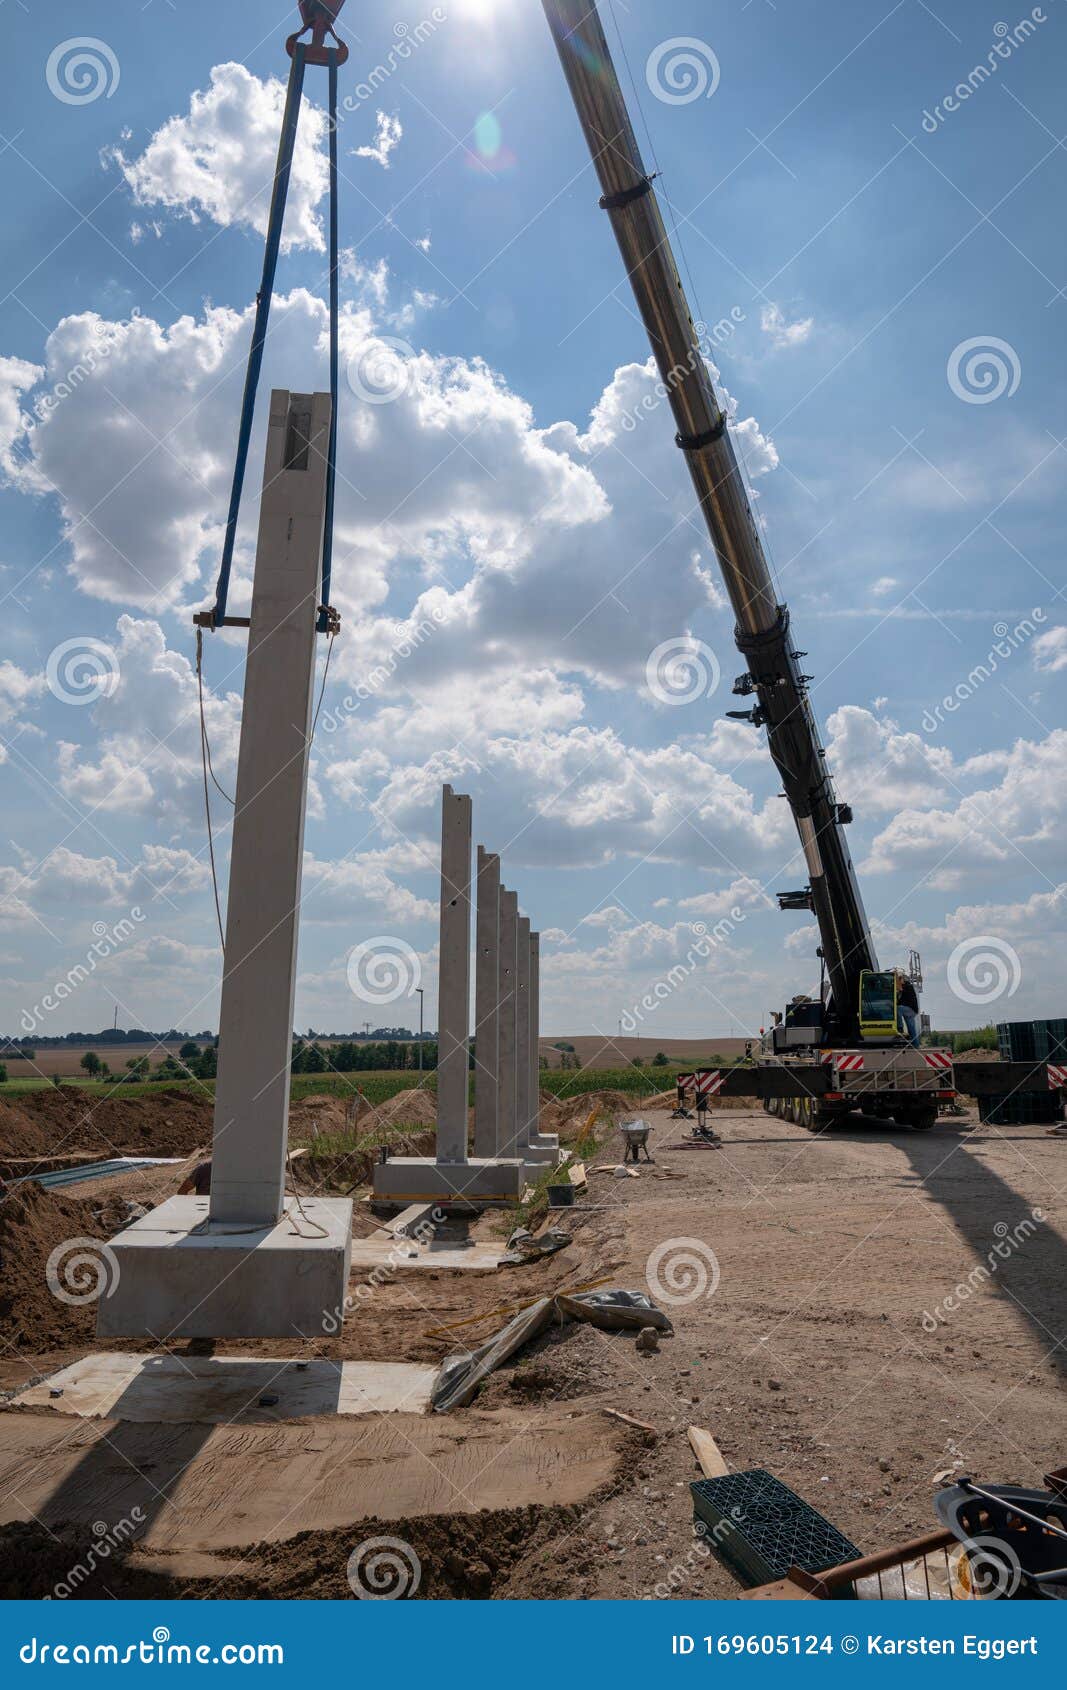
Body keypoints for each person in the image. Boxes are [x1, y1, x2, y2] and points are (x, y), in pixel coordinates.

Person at [896, 970, 920, 1048]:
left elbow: (901, 990)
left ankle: (900, 1028)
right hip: (910, 1010)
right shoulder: (903, 988)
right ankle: (916, 1046)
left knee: (898, 1009)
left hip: (910, 1010)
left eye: (899, 979)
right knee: (911, 1030)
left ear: (902, 979)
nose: (897, 981)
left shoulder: (907, 986)